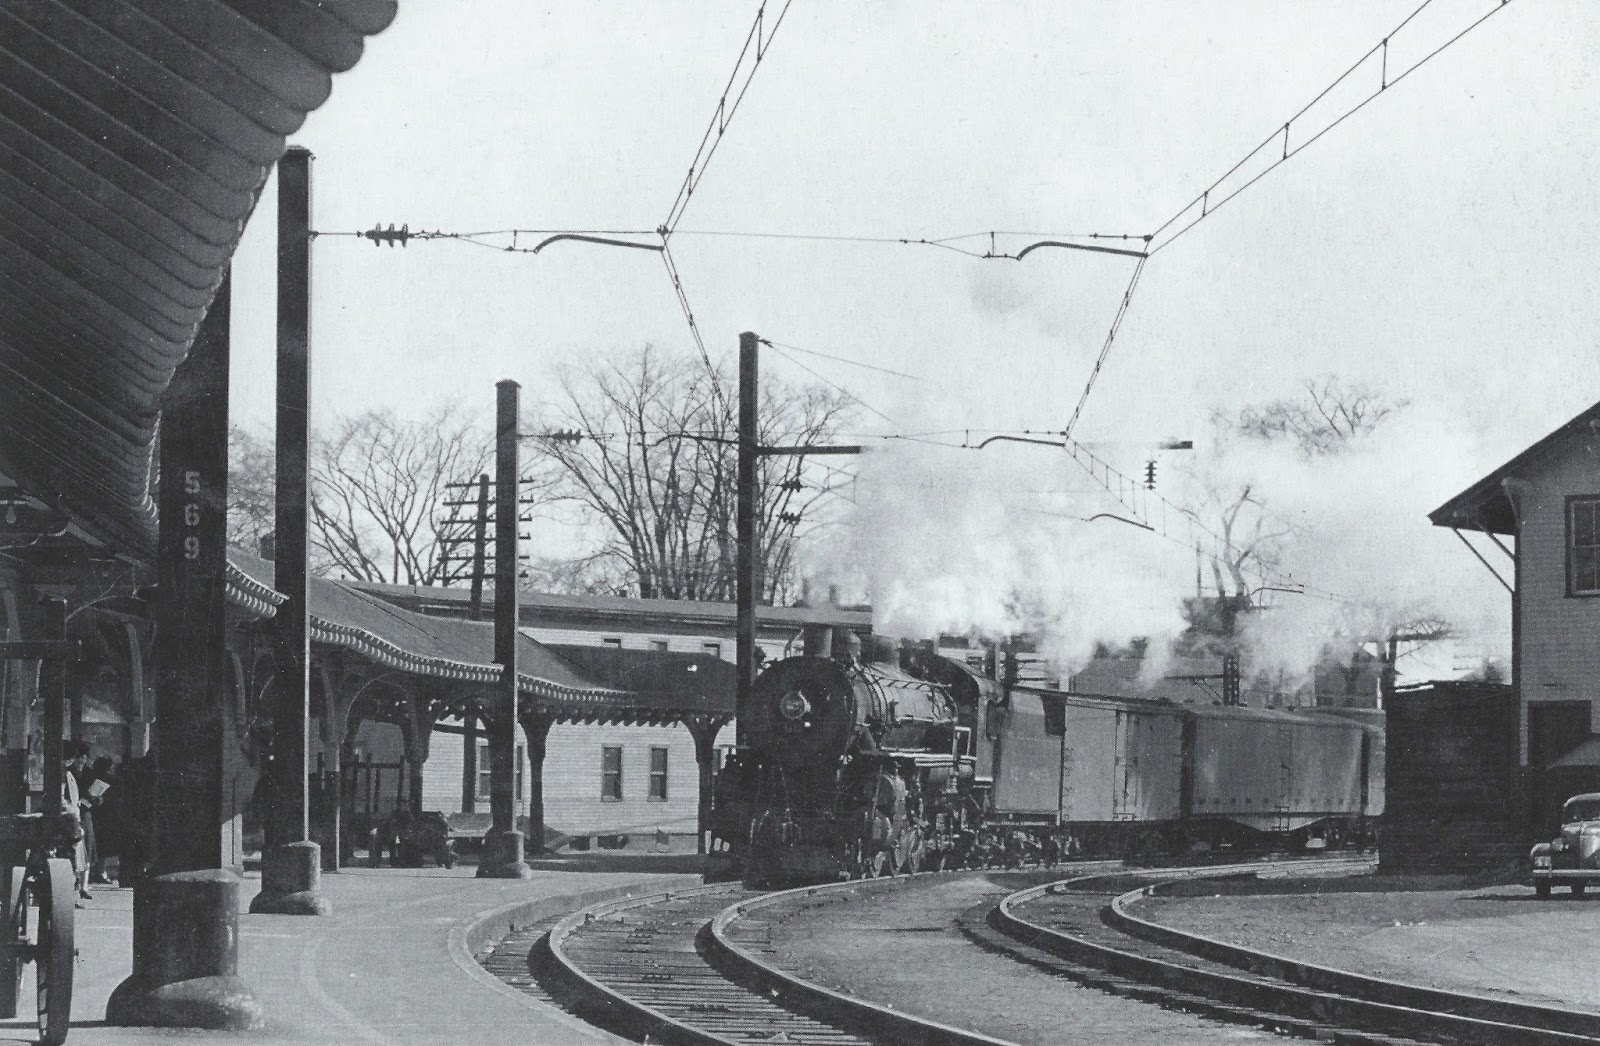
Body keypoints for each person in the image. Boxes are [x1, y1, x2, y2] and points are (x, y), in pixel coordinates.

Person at [61, 741, 91, 900]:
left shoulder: (67, 774)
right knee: (72, 860)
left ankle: (73, 895)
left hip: (74, 817)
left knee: (76, 860)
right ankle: (69, 896)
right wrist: (73, 809)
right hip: (69, 820)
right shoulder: (62, 774)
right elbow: (61, 799)